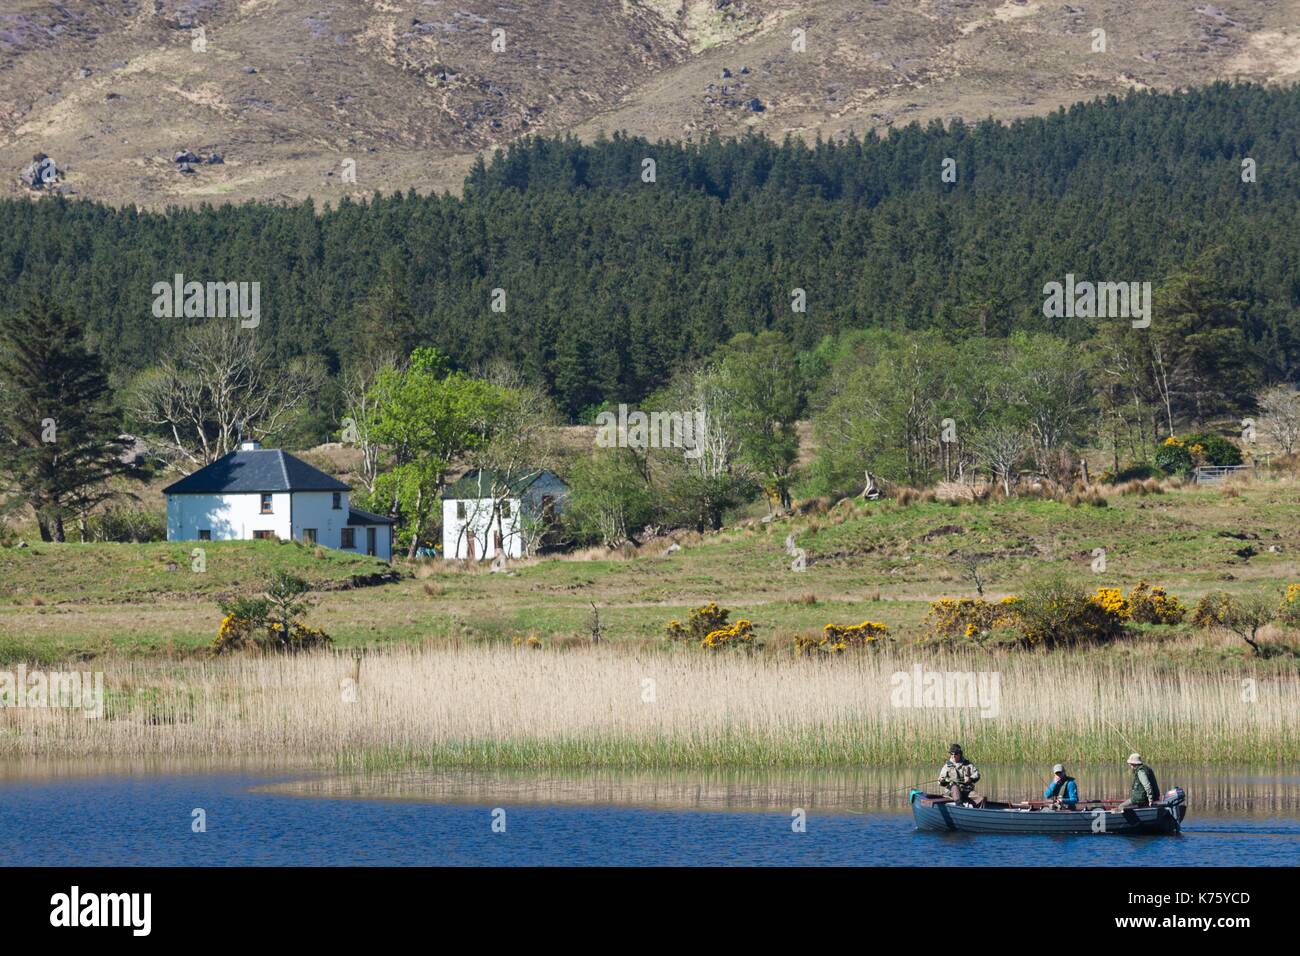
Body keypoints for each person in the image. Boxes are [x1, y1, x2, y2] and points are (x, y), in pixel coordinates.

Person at [938, 743, 985, 807]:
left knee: (981, 799)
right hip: (951, 792)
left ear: (960, 754)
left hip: (966, 791)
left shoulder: (968, 764)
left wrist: (970, 779)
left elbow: (977, 775)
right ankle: (959, 806)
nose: (953, 756)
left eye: (956, 754)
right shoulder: (947, 766)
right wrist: (942, 780)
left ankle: (978, 812)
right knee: (954, 786)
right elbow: (940, 781)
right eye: (951, 754)